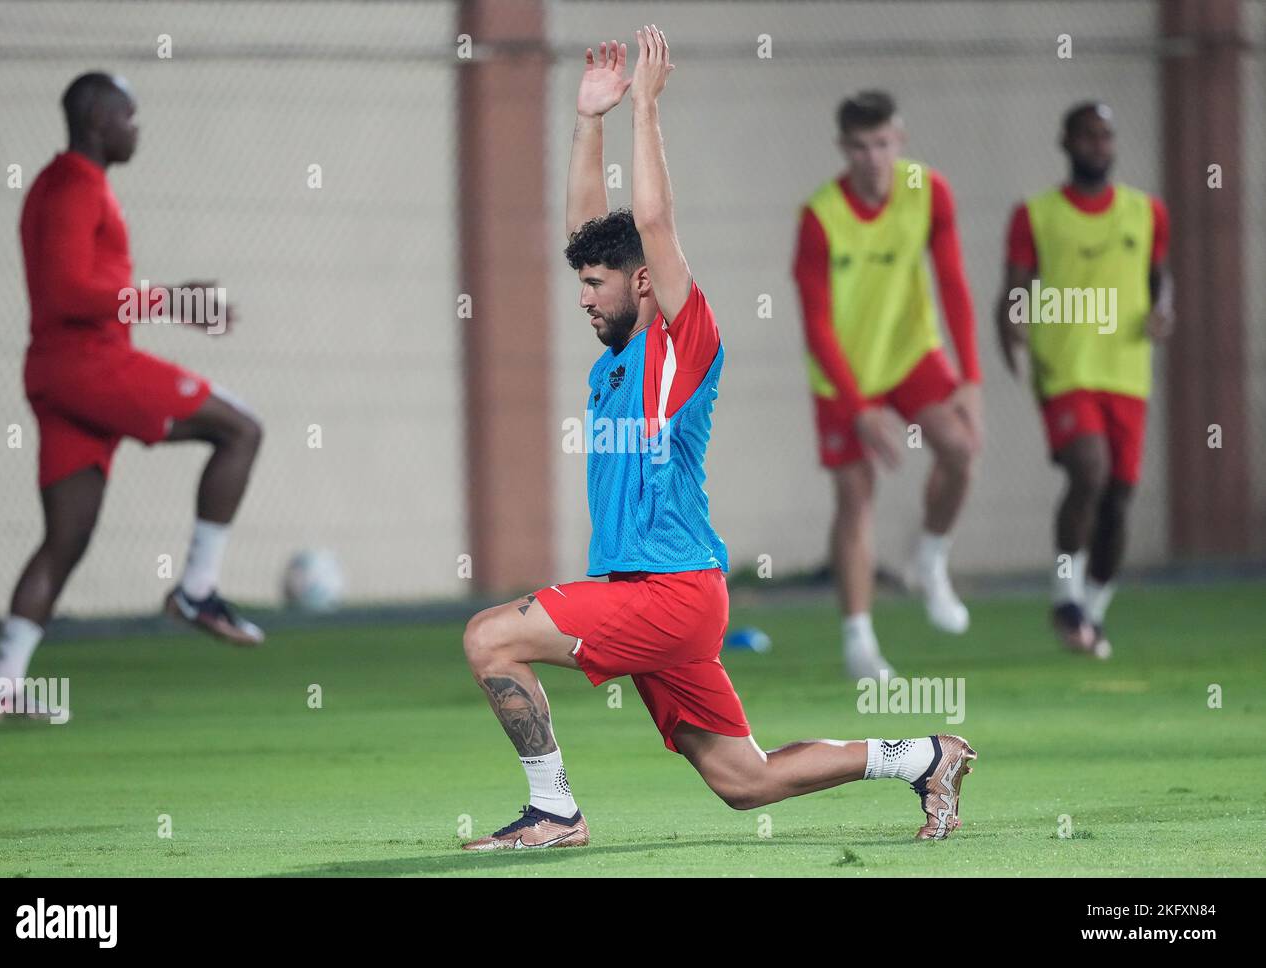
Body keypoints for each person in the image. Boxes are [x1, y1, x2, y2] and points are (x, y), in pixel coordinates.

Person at [459, 29, 975, 850]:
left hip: (664, 592)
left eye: (598, 286)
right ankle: (925, 756)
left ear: (641, 284)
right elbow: (594, 232)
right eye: (582, 286)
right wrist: (588, 119)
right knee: (746, 780)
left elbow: (653, 221)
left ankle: (554, 811)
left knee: (490, 636)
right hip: (668, 592)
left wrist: (647, 110)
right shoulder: (623, 353)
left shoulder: (683, 341)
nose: (584, 298)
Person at [0, 72, 264, 720]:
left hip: (58, 376)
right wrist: (175, 299)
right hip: (90, 366)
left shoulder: (67, 184)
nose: (136, 128)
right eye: (129, 116)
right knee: (242, 429)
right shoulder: (75, 186)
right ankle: (197, 590)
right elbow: (67, 295)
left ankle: (0, 686)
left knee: (66, 539)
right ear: (96, 120)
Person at [792, 90, 982, 680]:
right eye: (859, 147)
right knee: (855, 496)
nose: (873, 158)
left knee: (960, 446)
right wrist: (859, 409)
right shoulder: (820, 217)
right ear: (842, 149)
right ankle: (859, 644)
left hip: (909, 355)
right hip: (843, 373)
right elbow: (816, 323)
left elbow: (953, 284)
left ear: (899, 139)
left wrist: (971, 377)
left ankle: (929, 558)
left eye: (882, 144)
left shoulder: (929, 192)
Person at [996, 102, 1172, 658]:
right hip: (1066, 367)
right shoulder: (1036, 214)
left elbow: (1160, 278)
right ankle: (1065, 594)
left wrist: (1165, 308)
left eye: (1107, 136)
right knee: (1089, 471)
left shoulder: (1148, 213)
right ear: (1066, 142)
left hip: (1126, 372)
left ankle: (1091, 614)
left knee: (1119, 498)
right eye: (1088, 135)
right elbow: (1015, 287)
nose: (1099, 144)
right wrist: (1013, 324)